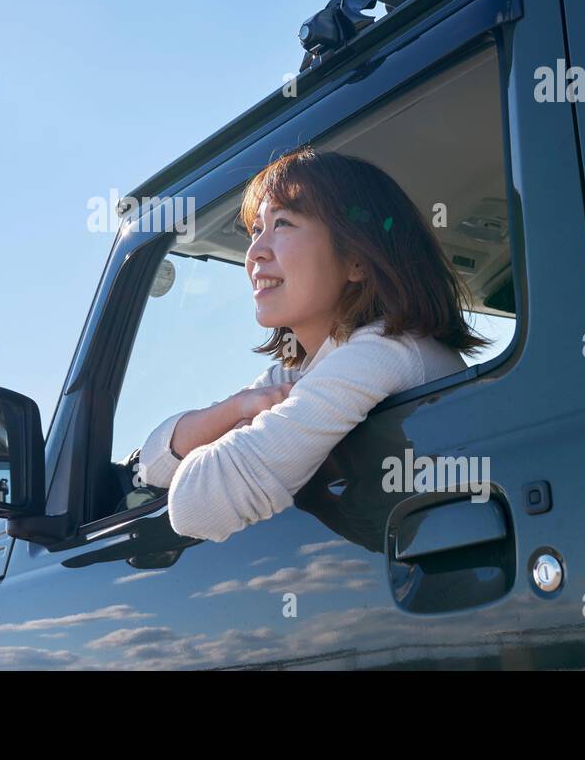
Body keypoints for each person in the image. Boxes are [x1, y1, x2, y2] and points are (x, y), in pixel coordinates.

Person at [137, 146, 491, 542]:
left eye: (283, 224)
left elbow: (195, 508)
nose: (254, 253)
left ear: (357, 259)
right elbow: (151, 467)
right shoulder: (303, 368)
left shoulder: (387, 350)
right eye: (256, 230)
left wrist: (236, 436)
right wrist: (237, 409)